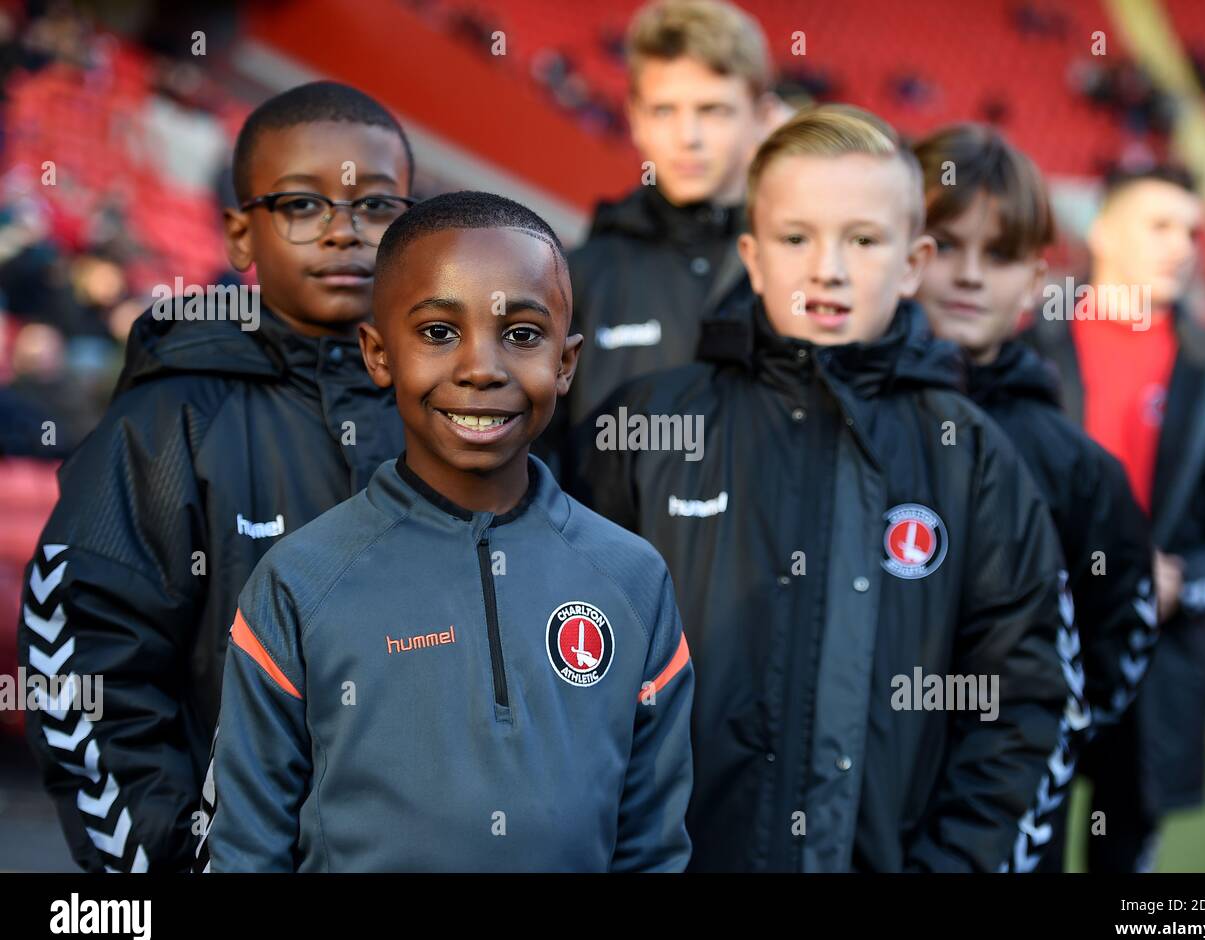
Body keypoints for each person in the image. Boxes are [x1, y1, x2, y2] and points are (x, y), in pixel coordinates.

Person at [573, 105, 1078, 872]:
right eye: (796, 237)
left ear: (913, 262)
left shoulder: (972, 457)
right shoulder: (645, 427)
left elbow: (1021, 699)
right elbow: (566, 677)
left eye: (864, 240)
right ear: (754, 253)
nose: (828, 269)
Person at [202, 192, 694, 871]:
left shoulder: (633, 577)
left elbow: (652, 849)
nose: (481, 367)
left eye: (522, 334)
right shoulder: (299, 582)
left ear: (566, 361)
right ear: (378, 353)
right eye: (438, 332)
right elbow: (245, 851)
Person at [17, 81, 414, 872]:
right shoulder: (168, 421)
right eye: (302, 206)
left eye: (376, 207)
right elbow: (86, 670)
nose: (344, 232)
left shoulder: (448, 411)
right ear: (240, 234)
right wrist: (181, 856)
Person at [1022, 164, 1205, 871]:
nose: (1183, 245)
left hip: (1154, 676)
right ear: (1102, 231)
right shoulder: (1028, 351)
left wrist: (1181, 579)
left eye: (1193, 230)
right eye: (1159, 225)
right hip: (1027, 661)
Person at [913, 124, 1158, 872]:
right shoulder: (837, 425)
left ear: (1036, 282)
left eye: (1000, 254)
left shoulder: (1077, 467)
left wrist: (1045, 740)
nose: (969, 275)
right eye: (946, 244)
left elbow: (1124, 625)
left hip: (1008, 834)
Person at [539, 0, 777, 471]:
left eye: (713, 110)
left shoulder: (798, 268)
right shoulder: (578, 274)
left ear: (761, 116)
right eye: (665, 110)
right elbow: (541, 456)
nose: (688, 136)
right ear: (636, 119)